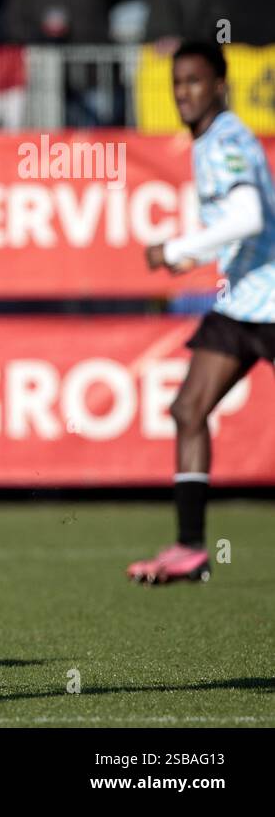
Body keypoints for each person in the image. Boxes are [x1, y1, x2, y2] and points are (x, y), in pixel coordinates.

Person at [132, 41, 275, 584]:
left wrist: (175, 250)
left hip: (271, 299)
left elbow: (249, 216)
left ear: (220, 84)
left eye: (194, 81)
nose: (184, 93)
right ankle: (190, 548)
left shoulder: (226, 140)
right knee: (189, 408)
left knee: (189, 408)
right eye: (177, 83)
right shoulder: (212, 139)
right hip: (242, 301)